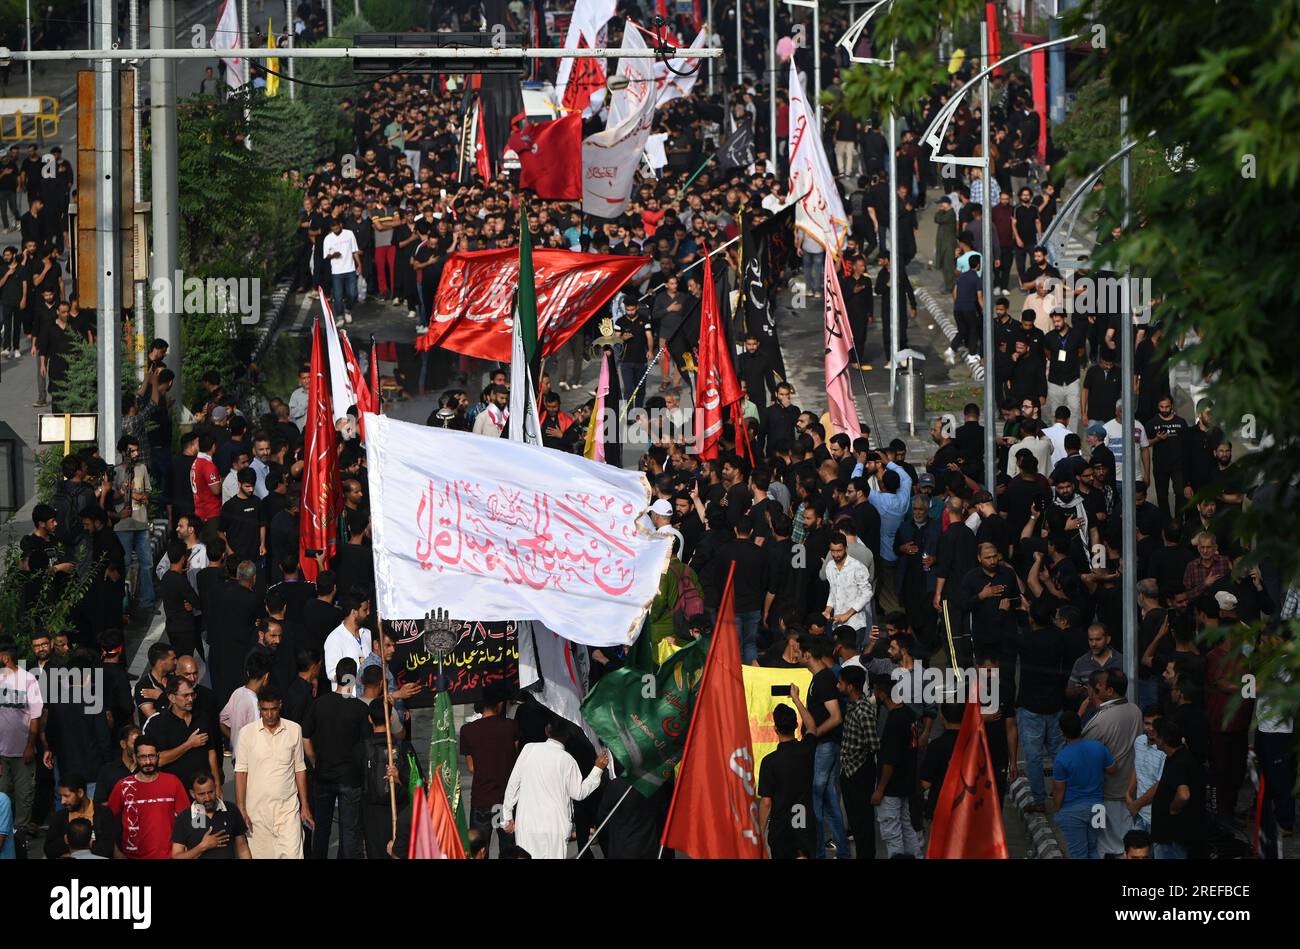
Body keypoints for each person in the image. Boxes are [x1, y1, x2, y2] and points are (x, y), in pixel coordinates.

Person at [501, 719, 609, 860]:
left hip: (528, 824)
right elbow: (579, 793)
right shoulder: (567, 760)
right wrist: (597, 769)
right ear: (568, 736)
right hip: (555, 827)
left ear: (547, 730)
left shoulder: (529, 749)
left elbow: (513, 784)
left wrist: (507, 815)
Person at [234, 684, 314, 859]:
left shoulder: (294, 730)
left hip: (288, 811)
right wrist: (241, 808)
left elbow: (299, 769)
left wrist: (305, 806)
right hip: (257, 814)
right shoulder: (246, 733)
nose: (269, 714)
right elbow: (241, 772)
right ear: (259, 708)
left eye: (273, 709)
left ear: (280, 706)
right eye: (265, 710)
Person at [789, 637, 850, 859]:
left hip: (824, 747)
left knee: (813, 801)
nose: (796, 655)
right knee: (829, 802)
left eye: (799, 652)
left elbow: (835, 717)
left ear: (808, 655)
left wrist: (812, 735)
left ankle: (816, 853)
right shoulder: (821, 678)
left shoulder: (823, 679)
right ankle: (842, 852)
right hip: (826, 746)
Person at [303, 657, 369, 859]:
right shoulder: (359, 708)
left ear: (336, 676)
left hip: (323, 775)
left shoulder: (320, 704)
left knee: (321, 827)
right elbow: (366, 744)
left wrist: (314, 759)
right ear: (354, 678)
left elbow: (305, 736)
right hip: (350, 778)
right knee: (349, 830)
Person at [1081, 668, 1144, 857]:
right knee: (1126, 841)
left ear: (1107, 690)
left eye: (1093, 688)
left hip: (1106, 793)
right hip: (1130, 789)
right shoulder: (1136, 710)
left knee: (1104, 844)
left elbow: (1083, 756)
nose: (1090, 693)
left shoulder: (1100, 721)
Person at [460, 681, 520, 856]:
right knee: (508, 848)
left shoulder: (467, 730)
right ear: (500, 704)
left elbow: (472, 768)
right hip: (505, 800)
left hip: (481, 801)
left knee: (479, 849)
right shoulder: (511, 726)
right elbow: (514, 758)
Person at [106, 734, 190, 859]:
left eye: (151, 756)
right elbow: (107, 820)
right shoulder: (123, 786)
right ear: (134, 757)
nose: (148, 762)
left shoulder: (173, 782)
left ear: (158, 756)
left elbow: (188, 818)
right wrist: (116, 850)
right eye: (142, 757)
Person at [1051, 710, 1116, 859]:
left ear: (1062, 732)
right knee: (1093, 849)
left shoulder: (1062, 758)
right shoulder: (1098, 747)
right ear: (1081, 727)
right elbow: (1113, 768)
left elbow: (1058, 791)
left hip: (1073, 811)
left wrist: (1058, 811)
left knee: (1078, 854)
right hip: (1098, 808)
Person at [870, 672, 921, 858]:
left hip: (891, 789)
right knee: (907, 828)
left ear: (882, 693)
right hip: (906, 784)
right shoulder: (909, 714)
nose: (874, 694)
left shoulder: (894, 721)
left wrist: (880, 790)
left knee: (892, 833)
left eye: (875, 690)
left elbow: (889, 761)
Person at [756, 703, 816, 859]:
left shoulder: (769, 762)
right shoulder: (807, 750)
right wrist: (796, 699)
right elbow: (812, 727)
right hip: (804, 827)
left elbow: (766, 803)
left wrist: (760, 832)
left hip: (781, 832)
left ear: (775, 729)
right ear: (796, 725)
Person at [0, 639, 41, 848]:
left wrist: (30, 745)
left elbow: (35, 716)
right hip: (1, 753)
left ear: (5, 657)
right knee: (2, 795)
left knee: (24, 796)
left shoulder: (28, 680)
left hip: (22, 752)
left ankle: (19, 837)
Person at [1149, 717, 1207, 859]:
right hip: (1177, 835)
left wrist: (1173, 809)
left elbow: (1183, 794)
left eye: (1155, 733)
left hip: (1172, 839)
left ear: (1162, 739)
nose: (1152, 736)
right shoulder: (1182, 756)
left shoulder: (1178, 763)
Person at [836, 664, 877, 858]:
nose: (838, 685)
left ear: (850, 686)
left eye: (841, 682)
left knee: (863, 826)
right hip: (849, 772)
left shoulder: (863, 711)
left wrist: (859, 761)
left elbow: (873, 744)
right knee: (856, 824)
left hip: (859, 774)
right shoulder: (852, 707)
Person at [172, 771, 252, 859]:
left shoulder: (231, 810)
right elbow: (176, 856)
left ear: (216, 788)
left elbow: (242, 847)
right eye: (201, 794)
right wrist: (202, 847)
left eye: (210, 792)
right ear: (192, 794)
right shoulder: (184, 817)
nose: (207, 798)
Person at [43, 773, 115, 859]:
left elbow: (107, 849)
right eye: (61, 796)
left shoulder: (103, 813)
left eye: (67, 796)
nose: (62, 801)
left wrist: (74, 845)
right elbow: (49, 849)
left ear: (80, 793)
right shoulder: (60, 817)